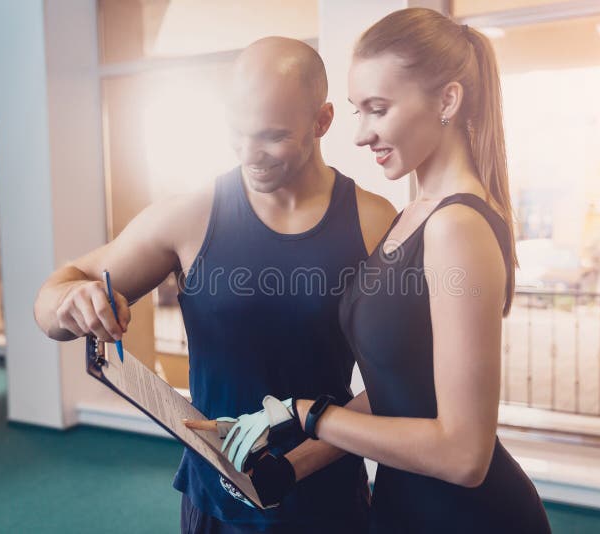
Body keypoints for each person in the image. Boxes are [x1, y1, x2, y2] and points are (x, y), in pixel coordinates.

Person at [33, 36, 397, 533]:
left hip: (328, 502)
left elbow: (395, 383)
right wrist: (69, 303)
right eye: (237, 132)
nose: (251, 154)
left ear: (322, 121)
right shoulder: (190, 216)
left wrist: (291, 467)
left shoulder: (374, 223)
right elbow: (54, 299)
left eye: (272, 135)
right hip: (215, 501)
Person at [215, 9, 552, 533]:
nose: (361, 135)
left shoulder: (455, 225)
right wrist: (289, 465)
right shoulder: (414, 214)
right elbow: (403, 386)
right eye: (357, 111)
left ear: (447, 101)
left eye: (378, 109)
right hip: (400, 506)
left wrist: (309, 412)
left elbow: (466, 457)